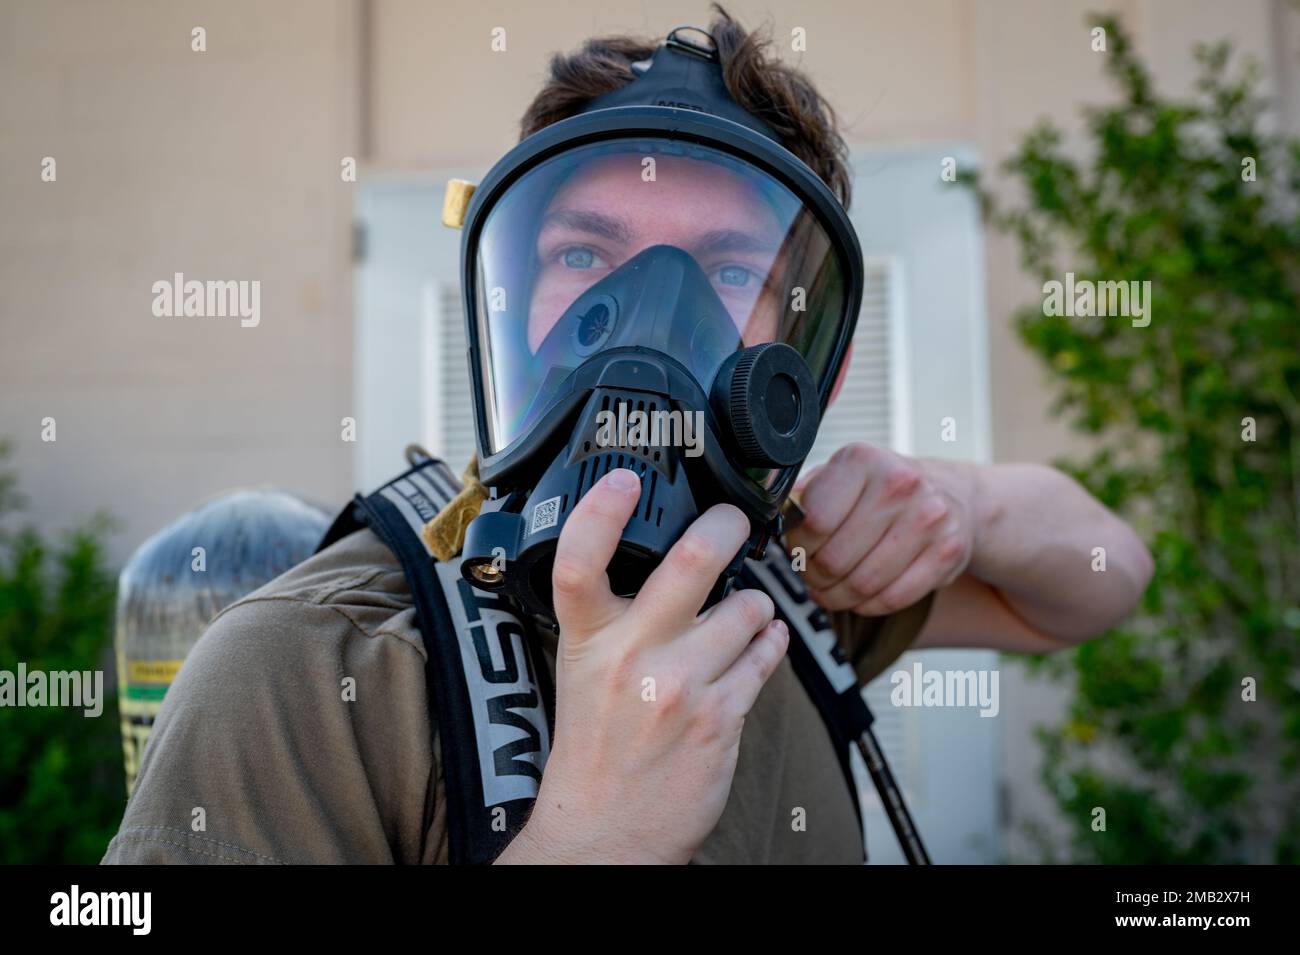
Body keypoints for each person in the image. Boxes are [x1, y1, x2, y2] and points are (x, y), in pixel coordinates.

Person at [103, 7, 1152, 866]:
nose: (650, 316)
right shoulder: (306, 672)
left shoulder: (786, 583)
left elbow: (1103, 580)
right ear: (510, 308)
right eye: (584, 253)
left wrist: (959, 508)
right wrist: (587, 842)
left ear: (798, 349)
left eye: (731, 270)